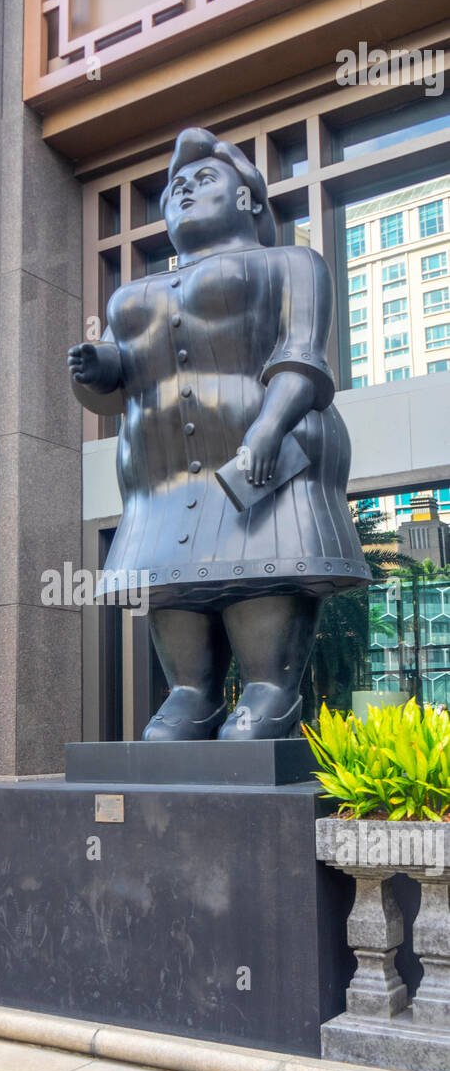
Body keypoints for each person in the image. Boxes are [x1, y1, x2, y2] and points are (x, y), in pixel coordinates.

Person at [68, 127, 370, 741]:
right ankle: (190, 696)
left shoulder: (292, 263)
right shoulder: (133, 294)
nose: (183, 191)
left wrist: (268, 425)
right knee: (174, 588)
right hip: (162, 476)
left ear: (247, 202)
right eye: (175, 187)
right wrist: (96, 370)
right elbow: (116, 386)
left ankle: (271, 691)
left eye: (204, 180)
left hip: (262, 461)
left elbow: (302, 358)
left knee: (260, 571)